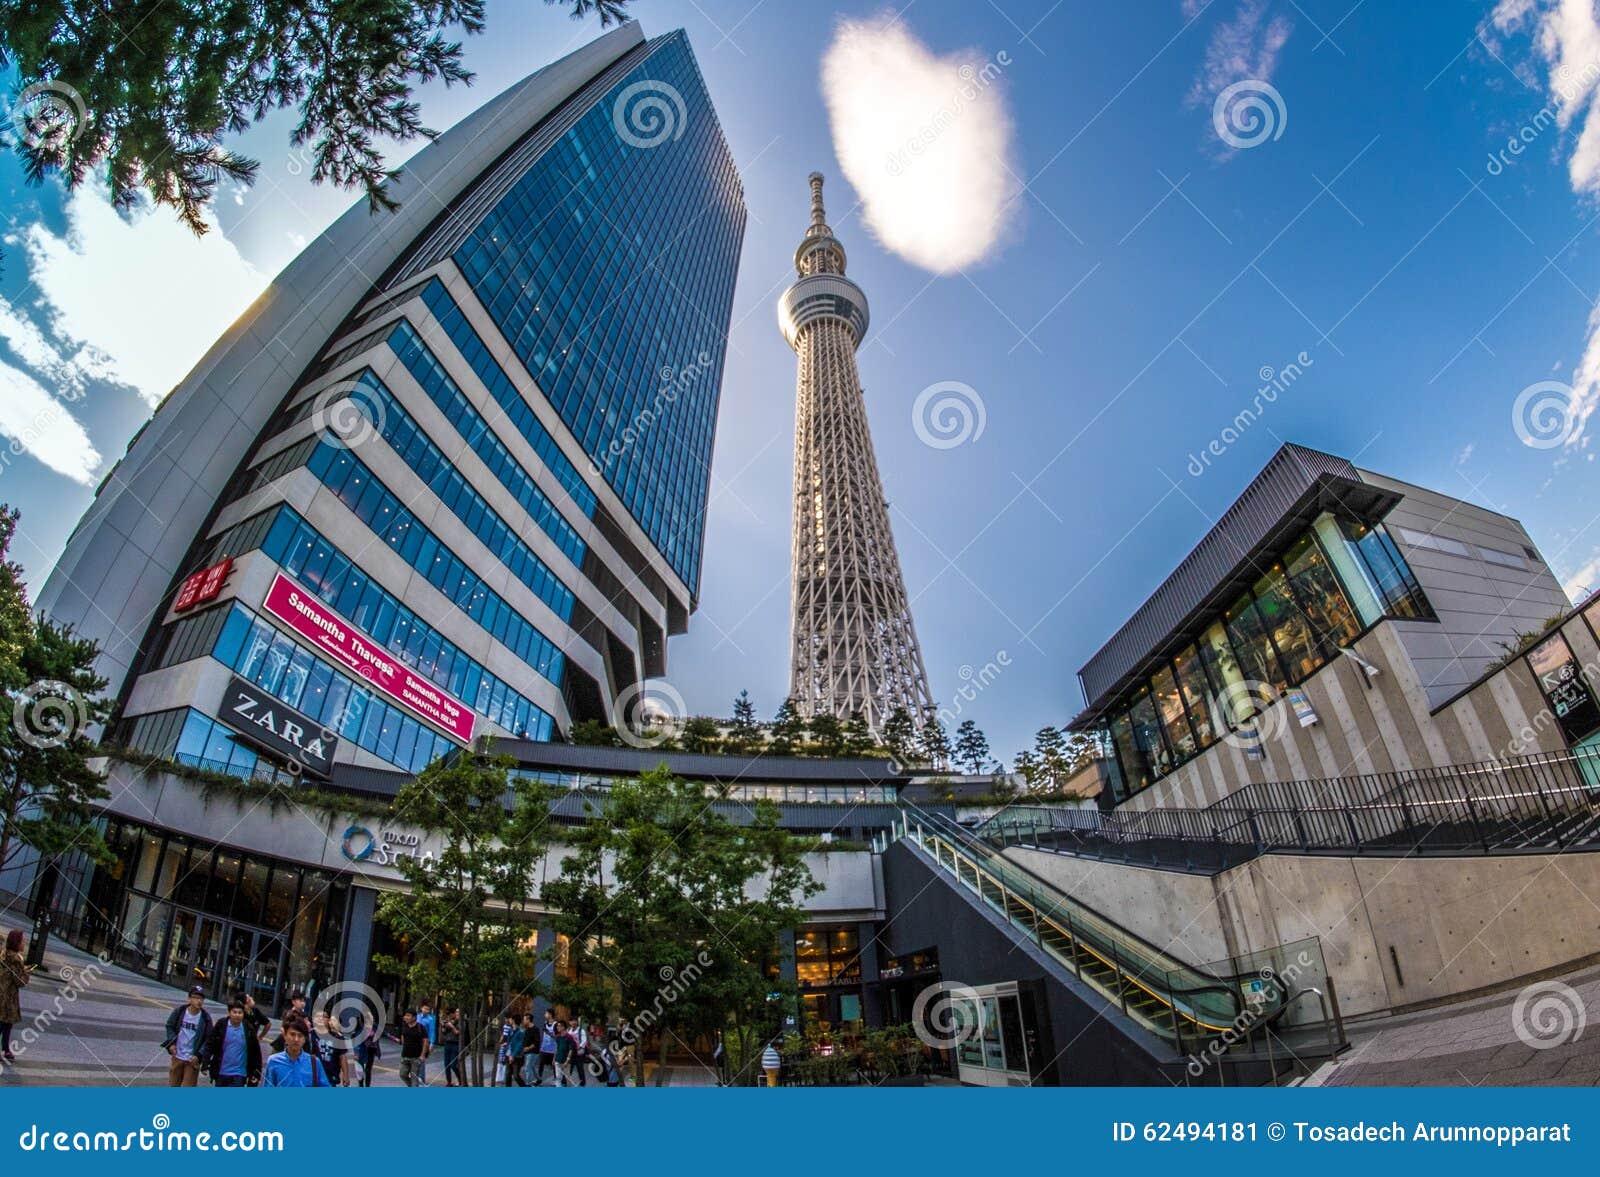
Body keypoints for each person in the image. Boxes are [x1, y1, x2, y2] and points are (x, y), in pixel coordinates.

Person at [203, 998, 262, 1087]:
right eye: (234, 1012)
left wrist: (256, 1072)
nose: (237, 1015)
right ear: (229, 1012)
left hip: (239, 1074)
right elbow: (210, 1044)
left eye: (240, 1012)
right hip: (221, 1071)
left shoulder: (248, 1029)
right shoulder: (221, 1025)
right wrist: (205, 1063)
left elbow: (256, 1051)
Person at [163, 985, 213, 1087]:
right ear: (189, 999)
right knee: (173, 1085)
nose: (199, 1001)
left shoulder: (205, 1018)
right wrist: (172, 1043)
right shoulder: (180, 1011)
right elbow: (170, 1026)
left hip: (192, 1060)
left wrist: (199, 1055)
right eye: (196, 998)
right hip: (178, 1056)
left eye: (201, 998)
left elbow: (208, 1039)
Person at [261, 1014, 327, 1087]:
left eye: (300, 1036)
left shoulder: (314, 1062)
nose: (296, 1039)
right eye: (292, 1034)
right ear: (285, 1036)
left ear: (304, 1039)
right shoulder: (273, 1061)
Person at [0, 929, 30, 1064]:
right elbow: (20, 981)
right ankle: (6, 1050)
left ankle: (6, 1049)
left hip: (2, 993)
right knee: (4, 1024)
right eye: (23, 941)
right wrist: (26, 973)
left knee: (6, 1023)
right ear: (17, 943)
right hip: (8, 998)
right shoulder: (17, 959)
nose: (24, 943)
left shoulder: (4, 954)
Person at [311, 1010, 344, 1086]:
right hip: (313, 1074)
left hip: (330, 1076)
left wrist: (345, 1074)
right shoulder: (309, 1034)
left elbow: (342, 1056)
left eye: (323, 1017)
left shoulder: (336, 1037)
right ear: (313, 1019)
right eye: (317, 1016)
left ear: (328, 1020)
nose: (320, 1018)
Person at [398, 1009, 430, 1087]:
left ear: (414, 1017)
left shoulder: (420, 1027)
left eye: (408, 1015)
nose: (406, 1017)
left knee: (414, 1078)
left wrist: (422, 1055)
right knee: (402, 1074)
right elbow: (403, 1038)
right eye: (405, 1015)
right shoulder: (404, 1026)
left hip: (416, 1057)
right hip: (405, 1056)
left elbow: (426, 1041)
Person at [439, 1007, 465, 1087]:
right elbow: (444, 1032)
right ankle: (449, 1082)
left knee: (453, 1065)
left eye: (459, 1012)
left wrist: (452, 1027)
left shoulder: (462, 1022)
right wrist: (443, 1025)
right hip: (447, 1044)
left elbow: (458, 1033)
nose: (457, 1014)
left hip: (456, 1044)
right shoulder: (451, 1021)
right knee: (446, 1064)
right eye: (456, 1012)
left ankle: (461, 1080)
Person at [534, 1010, 558, 1086]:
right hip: (544, 1048)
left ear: (550, 1015)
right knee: (541, 1064)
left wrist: (548, 1032)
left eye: (546, 1013)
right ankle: (539, 1079)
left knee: (554, 1065)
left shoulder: (556, 1024)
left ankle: (556, 1080)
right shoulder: (545, 1023)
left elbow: (557, 1037)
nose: (545, 1015)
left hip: (552, 1049)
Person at [355, 1022, 381, 1088]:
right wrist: (356, 1053)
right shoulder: (361, 1027)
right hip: (362, 1050)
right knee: (360, 1070)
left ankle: (367, 1086)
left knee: (368, 1070)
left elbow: (384, 1033)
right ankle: (360, 1085)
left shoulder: (375, 1026)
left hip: (371, 1050)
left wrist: (395, 1039)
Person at [416, 1001, 437, 1084]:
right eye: (425, 1008)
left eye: (428, 1009)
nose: (426, 1010)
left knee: (421, 1059)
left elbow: (432, 1032)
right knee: (415, 1059)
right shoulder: (417, 1017)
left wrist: (431, 1043)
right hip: (415, 1041)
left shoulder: (431, 1019)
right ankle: (417, 1078)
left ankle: (421, 1079)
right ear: (421, 1008)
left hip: (424, 1042)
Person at [504, 1014, 527, 1087]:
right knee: (508, 1074)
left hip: (517, 1056)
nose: (509, 1020)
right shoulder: (511, 1030)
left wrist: (513, 1055)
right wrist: (506, 1044)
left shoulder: (521, 1031)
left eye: (510, 1019)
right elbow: (511, 1042)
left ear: (513, 1020)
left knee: (516, 1076)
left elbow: (519, 1045)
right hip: (508, 1054)